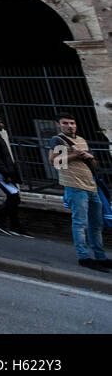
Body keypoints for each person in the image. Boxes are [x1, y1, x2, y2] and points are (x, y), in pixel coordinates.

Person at [49, 114, 110, 271]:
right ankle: (84, 257)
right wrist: (75, 154)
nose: (70, 126)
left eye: (72, 123)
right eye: (65, 123)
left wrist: (89, 156)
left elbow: (94, 165)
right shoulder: (59, 140)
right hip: (75, 187)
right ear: (58, 125)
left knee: (96, 224)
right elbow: (56, 163)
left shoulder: (81, 140)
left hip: (91, 186)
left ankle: (101, 257)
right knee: (80, 223)